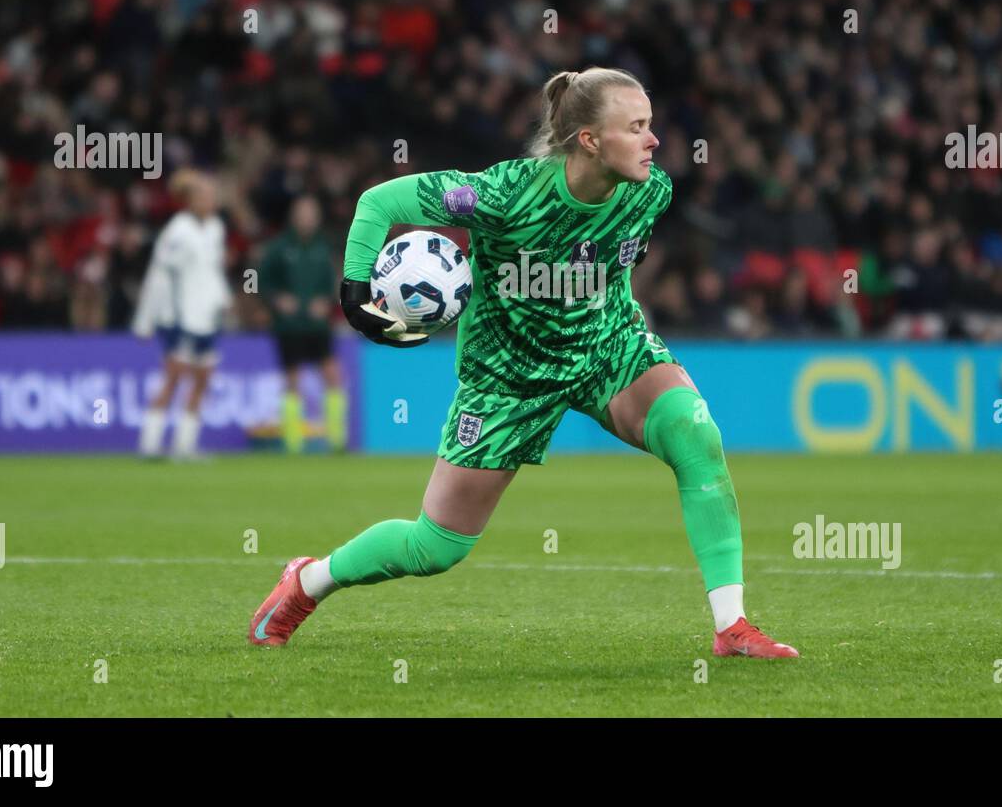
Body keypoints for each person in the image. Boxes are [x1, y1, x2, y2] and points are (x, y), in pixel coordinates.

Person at [249, 67, 798, 659]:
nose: (654, 141)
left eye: (651, 125)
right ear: (589, 139)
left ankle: (731, 626)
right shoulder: (504, 194)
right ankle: (307, 580)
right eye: (636, 127)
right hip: (507, 379)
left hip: (605, 350)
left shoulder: (649, 192)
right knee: (434, 548)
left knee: (696, 434)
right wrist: (357, 296)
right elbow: (379, 201)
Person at [132, 169, 230, 459]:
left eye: (213, 196)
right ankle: (149, 445)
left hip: (206, 316)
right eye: (205, 196)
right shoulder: (177, 231)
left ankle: (185, 446)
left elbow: (212, 271)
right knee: (174, 377)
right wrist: (145, 319)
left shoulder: (215, 228)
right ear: (190, 200)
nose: (211, 200)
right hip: (180, 316)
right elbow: (159, 276)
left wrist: (222, 299)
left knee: (203, 379)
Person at [258, 195, 345, 452]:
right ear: (294, 216)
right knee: (292, 379)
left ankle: (336, 440)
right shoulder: (279, 247)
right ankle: (293, 442)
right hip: (289, 326)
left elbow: (336, 280)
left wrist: (326, 301)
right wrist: (278, 300)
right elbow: (262, 282)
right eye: (303, 212)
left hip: (318, 325)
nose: (308, 218)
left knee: (332, 375)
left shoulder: (324, 247)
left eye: (312, 212)